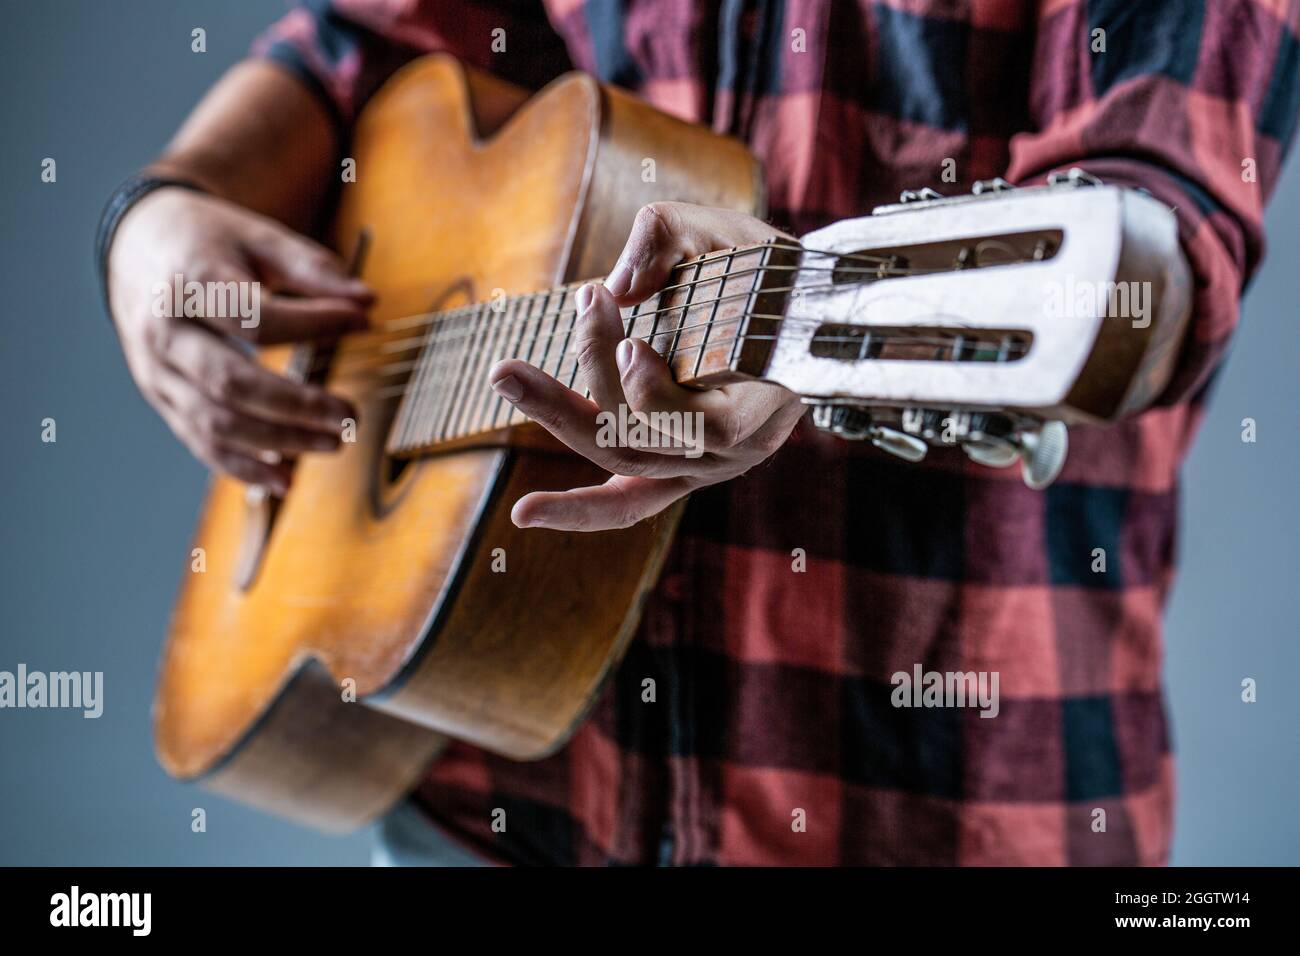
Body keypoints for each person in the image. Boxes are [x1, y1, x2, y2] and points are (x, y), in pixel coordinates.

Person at [101, 1, 1298, 865]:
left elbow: (1151, 246)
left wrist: (783, 326)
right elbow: (360, 42)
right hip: (496, 801)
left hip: (923, 807)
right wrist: (160, 217)